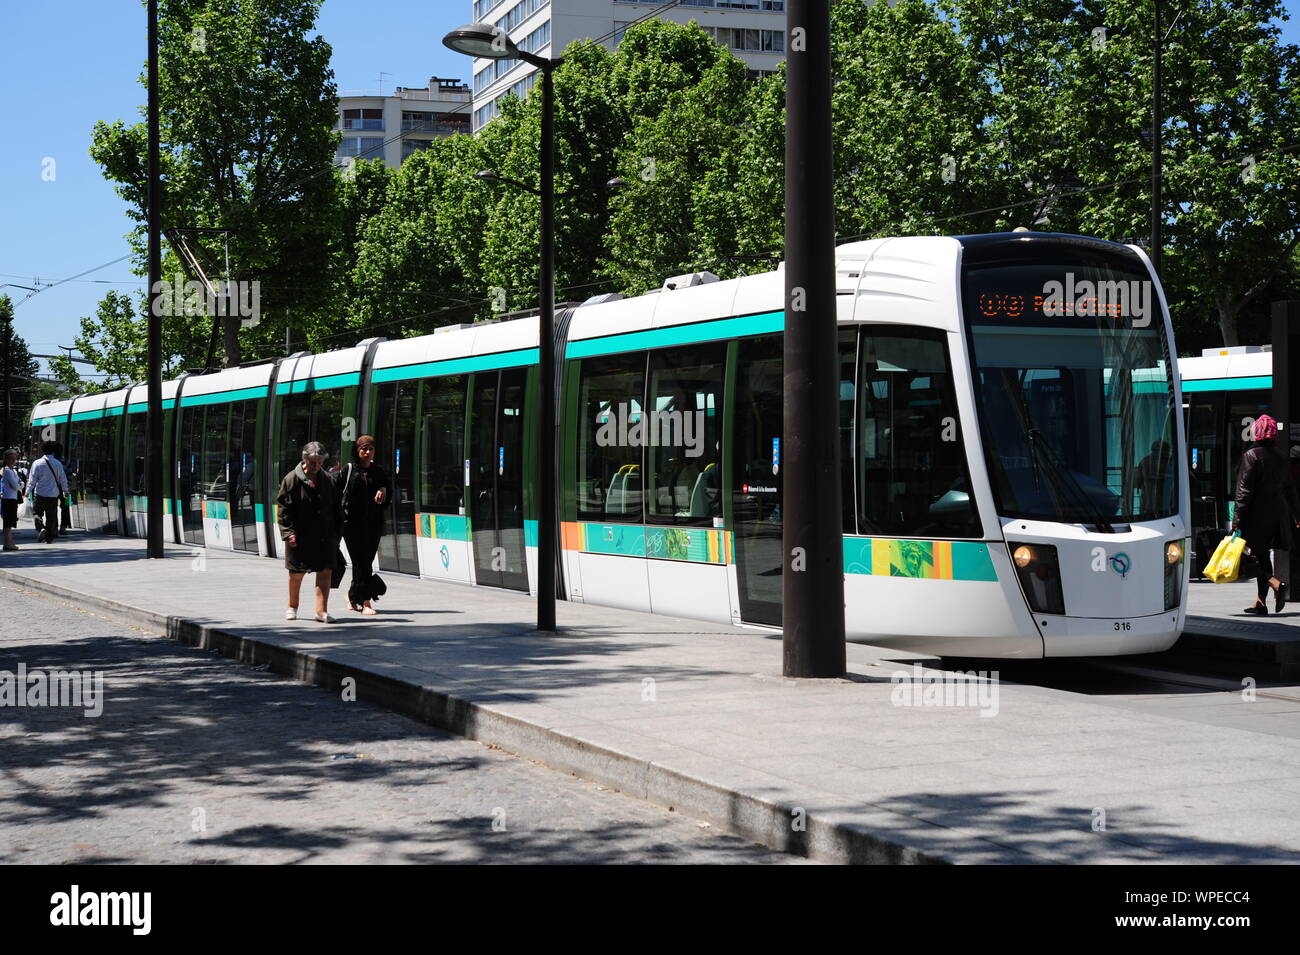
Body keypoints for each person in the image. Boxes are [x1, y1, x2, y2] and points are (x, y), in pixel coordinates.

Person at [1233, 414, 1300, 615]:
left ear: (1257, 432)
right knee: (1262, 556)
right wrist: (1297, 514)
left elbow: (1244, 492)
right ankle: (1260, 603)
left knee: (1253, 556)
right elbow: (1290, 489)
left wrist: (1237, 521)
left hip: (1257, 516)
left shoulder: (1251, 456)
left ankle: (1276, 583)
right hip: (1277, 514)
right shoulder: (1281, 456)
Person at [277, 441, 342, 623]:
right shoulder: (291, 480)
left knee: (325, 571)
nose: (316, 466)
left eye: (320, 462)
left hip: (324, 535)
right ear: (304, 459)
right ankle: (292, 605)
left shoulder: (328, 480)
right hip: (299, 535)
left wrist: (337, 533)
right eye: (313, 462)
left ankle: (321, 611)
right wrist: (288, 532)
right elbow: (283, 509)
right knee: (297, 573)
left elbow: (337, 507)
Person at [340, 434, 391, 615]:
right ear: (357, 450)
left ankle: (353, 596)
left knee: (365, 561)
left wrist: (383, 490)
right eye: (363, 449)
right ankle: (366, 602)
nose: (367, 452)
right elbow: (338, 494)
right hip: (352, 525)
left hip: (373, 524)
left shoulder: (379, 472)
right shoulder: (349, 470)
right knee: (360, 561)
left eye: (370, 449)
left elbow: (388, 491)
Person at [27, 441, 68, 544]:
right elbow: (63, 479)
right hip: (53, 495)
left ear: (43, 450)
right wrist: (65, 491)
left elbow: (32, 480)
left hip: (40, 494)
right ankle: (49, 538)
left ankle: (41, 528)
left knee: (37, 513)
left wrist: (27, 491)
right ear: (53, 451)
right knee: (51, 516)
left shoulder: (37, 463)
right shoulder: (58, 463)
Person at [2, 450, 22, 551]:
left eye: (15, 458)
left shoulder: (13, 471)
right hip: (8, 499)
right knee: (8, 523)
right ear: (7, 459)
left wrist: (19, 485)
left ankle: (9, 543)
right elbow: (16, 485)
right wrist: (20, 485)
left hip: (12, 499)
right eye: (12, 458)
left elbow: (19, 483)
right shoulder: (7, 471)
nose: (14, 461)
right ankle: (8, 543)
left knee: (9, 523)